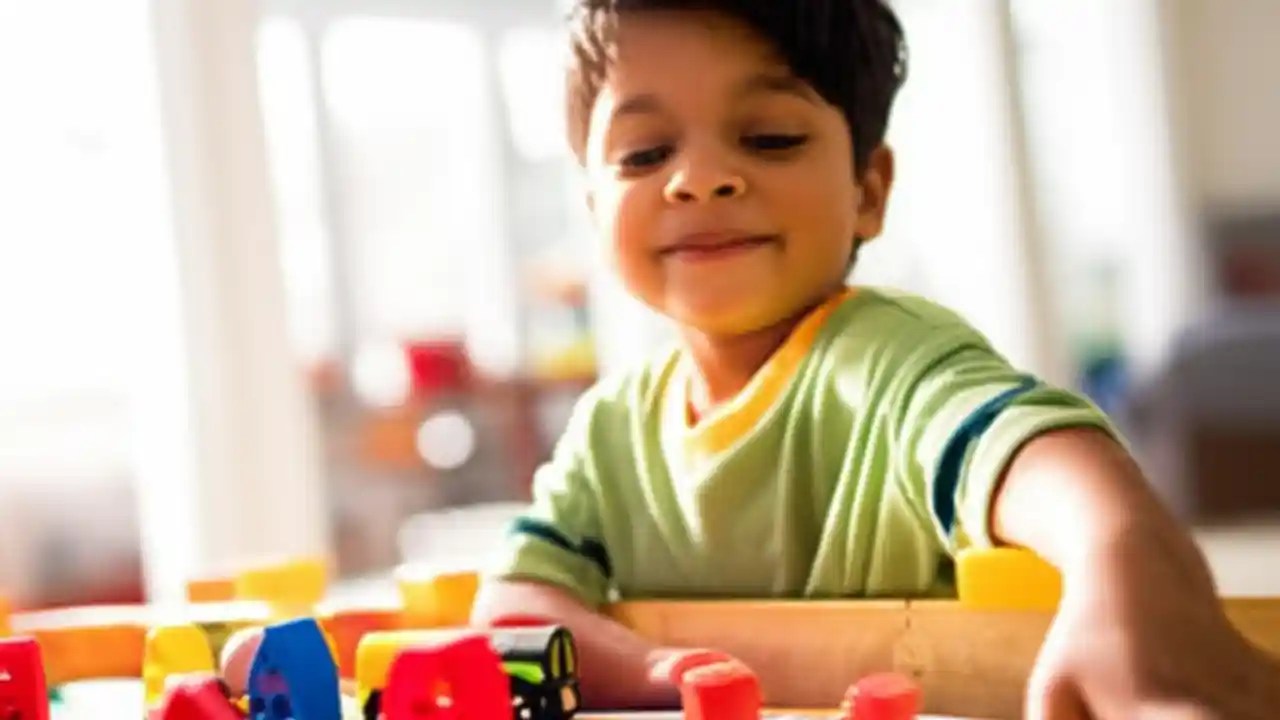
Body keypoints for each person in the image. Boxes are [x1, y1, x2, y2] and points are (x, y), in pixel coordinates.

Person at [467, 1, 1280, 718]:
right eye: (644, 154)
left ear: (868, 190)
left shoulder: (888, 363)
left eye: (770, 138)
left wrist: (1121, 559)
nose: (702, 178)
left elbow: (1037, 456)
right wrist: (651, 670)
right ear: (592, 205)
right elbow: (511, 611)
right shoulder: (608, 431)